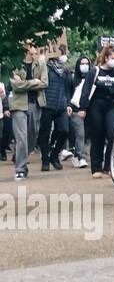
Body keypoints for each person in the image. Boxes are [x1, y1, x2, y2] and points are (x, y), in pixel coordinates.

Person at [75, 46, 114, 181]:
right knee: (97, 136)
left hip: (111, 106)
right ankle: (96, 167)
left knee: (113, 135)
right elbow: (86, 90)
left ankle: (108, 166)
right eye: (113, 58)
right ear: (106, 58)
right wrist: (83, 108)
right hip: (95, 106)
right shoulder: (94, 72)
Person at [8, 44, 47, 180]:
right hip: (19, 105)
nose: (34, 48)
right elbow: (16, 86)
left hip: (35, 104)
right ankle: (20, 168)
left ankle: (21, 158)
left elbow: (44, 83)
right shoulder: (15, 64)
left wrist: (25, 82)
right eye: (31, 45)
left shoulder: (41, 64)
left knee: (33, 136)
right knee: (21, 139)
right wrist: (34, 82)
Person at [37, 45, 71, 171]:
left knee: (64, 130)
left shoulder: (65, 70)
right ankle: (45, 160)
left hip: (61, 105)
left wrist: (68, 103)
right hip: (47, 104)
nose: (62, 56)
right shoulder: (45, 67)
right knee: (44, 134)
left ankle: (54, 155)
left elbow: (68, 89)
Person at [66, 55, 91, 168]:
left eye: (87, 64)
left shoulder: (91, 78)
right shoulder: (72, 78)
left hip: (88, 111)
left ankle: (79, 154)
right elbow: (68, 94)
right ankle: (80, 157)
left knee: (86, 135)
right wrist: (69, 105)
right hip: (76, 110)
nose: (85, 66)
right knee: (80, 134)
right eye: (82, 64)